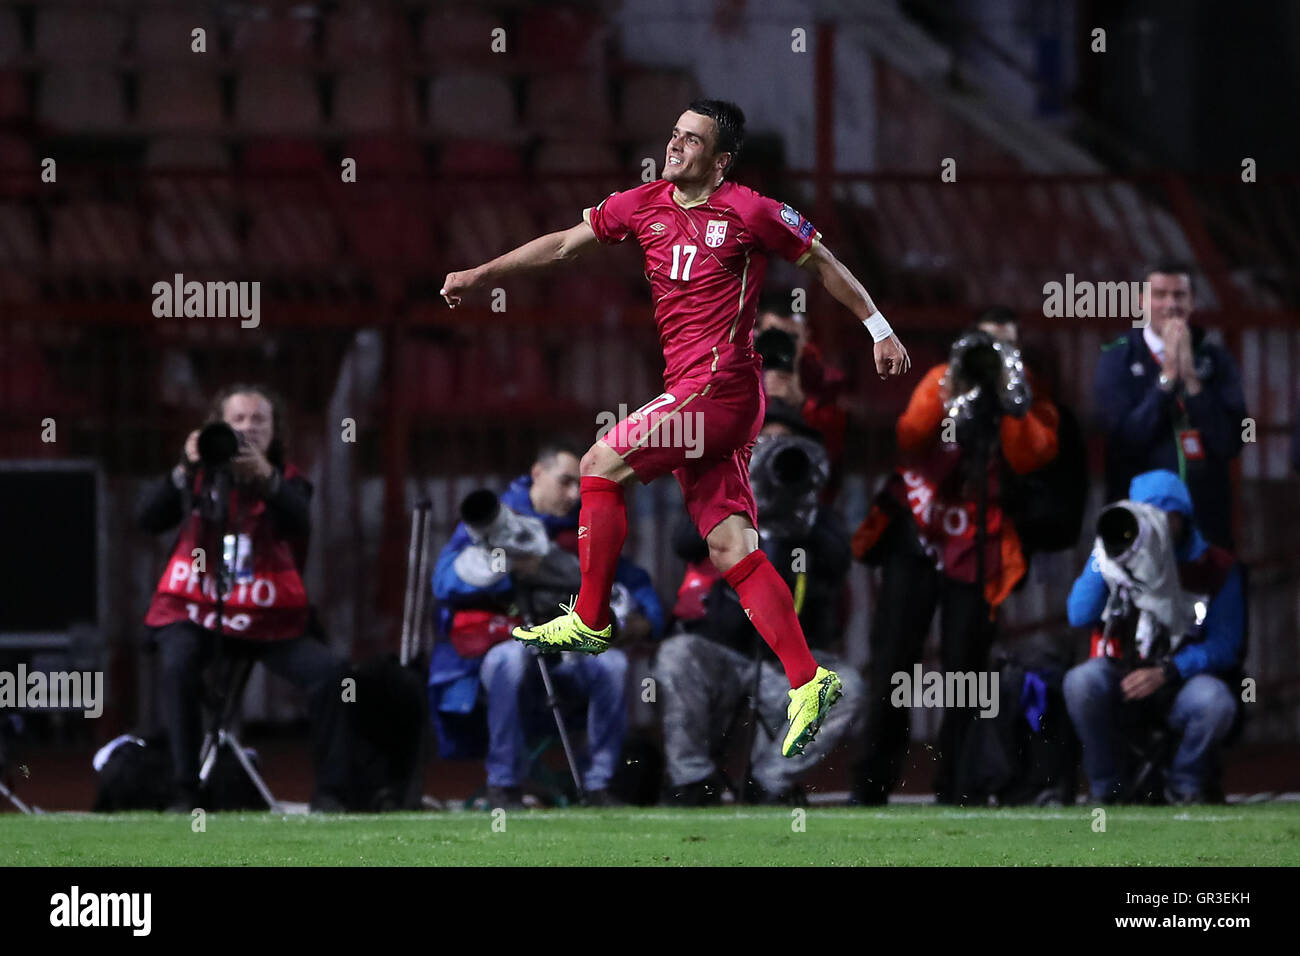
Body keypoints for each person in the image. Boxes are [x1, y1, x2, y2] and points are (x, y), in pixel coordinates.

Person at [440, 98, 911, 758]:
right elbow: (562, 246)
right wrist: (482, 273)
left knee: (598, 464)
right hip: (697, 397)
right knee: (730, 548)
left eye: (693, 140)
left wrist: (879, 328)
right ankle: (808, 679)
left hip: (717, 388)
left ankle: (592, 618)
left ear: (720, 160)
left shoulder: (749, 210)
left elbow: (823, 262)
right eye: (674, 135)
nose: (676, 146)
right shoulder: (642, 204)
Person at [850, 318, 1059, 804]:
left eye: (1004, 343)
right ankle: (870, 786)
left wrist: (1009, 399)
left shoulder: (1024, 394)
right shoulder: (944, 378)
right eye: (985, 342)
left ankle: (958, 784)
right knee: (892, 663)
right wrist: (953, 389)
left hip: (980, 546)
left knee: (967, 672)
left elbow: (1032, 458)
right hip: (916, 541)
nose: (992, 353)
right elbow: (909, 438)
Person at [139, 384, 349, 812]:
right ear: (216, 426)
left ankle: (331, 793)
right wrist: (183, 469)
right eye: (237, 420)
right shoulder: (195, 478)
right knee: (177, 662)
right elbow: (147, 517)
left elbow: (298, 520)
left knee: (330, 674)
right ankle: (185, 789)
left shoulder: (288, 481)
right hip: (195, 610)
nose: (248, 429)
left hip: (268, 618)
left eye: (259, 421)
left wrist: (266, 480)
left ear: (275, 432)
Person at [428, 441, 663, 808]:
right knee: (507, 660)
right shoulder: (495, 520)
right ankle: (504, 785)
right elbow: (445, 581)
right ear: (537, 473)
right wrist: (509, 571)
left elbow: (630, 582)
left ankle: (599, 785)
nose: (573, 495)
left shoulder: (583, 525)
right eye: (565, 482)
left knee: (613, 664)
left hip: (569, 657)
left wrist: (645, 618)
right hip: (508, 650)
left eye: (579, 486)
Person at [656, 404, 862, 804]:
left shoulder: (817, 514)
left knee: (846, 690)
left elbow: (837, 564)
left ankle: (767, 782)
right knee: (676, 655)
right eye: (764, 442)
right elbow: (684, 542)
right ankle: (692, 781)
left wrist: (796, 519)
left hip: (787, 670)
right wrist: (741, 500)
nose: (773, 452)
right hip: (723, 653)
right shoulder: (723, 497)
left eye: (784, 444)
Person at [1063, 470, 1244, 804]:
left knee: (1215, 702)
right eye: (1145, 517)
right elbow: (1078, 614)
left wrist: (1167, 671)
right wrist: (1101, 557)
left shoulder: (1215, 566)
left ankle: (1184, 783)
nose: (1155, 527)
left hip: (1180, 682)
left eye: (1165, 518)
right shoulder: (1116, 557)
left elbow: (1226, 645)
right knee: (1080, 683)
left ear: (1182, 519)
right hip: (1121, 674)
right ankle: (1109, 788)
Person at [1094, 263, 1248, 547]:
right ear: (1141, 300)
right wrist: (1167, 380)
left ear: (1192, 301)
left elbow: (1234, 440)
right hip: (1138, 520)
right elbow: (1124, 441)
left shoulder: (1218, 359)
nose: (1171, 304)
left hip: (1207, 521)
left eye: (1179, 295)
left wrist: (1192, 381)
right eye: (1160, 294)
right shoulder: (1117, 358)